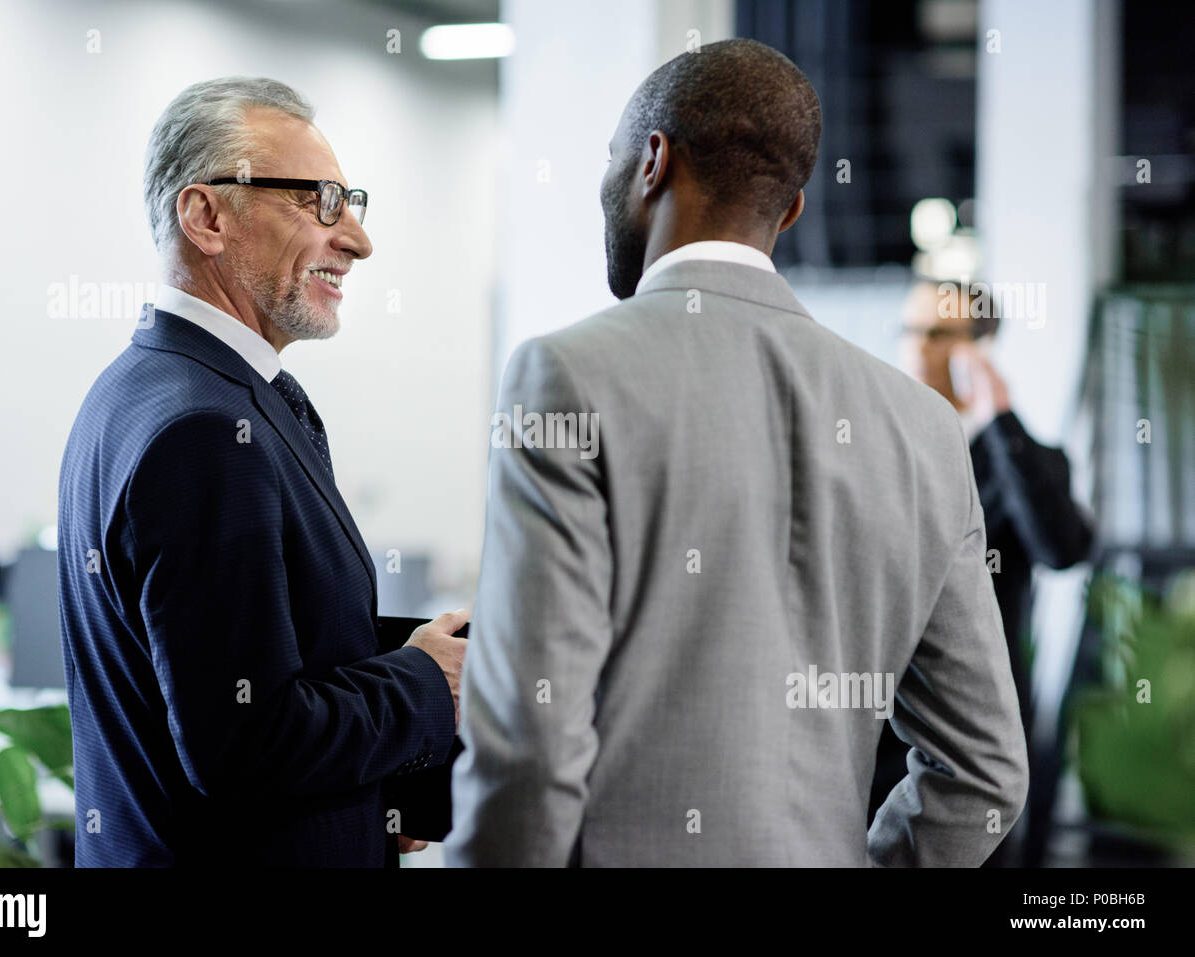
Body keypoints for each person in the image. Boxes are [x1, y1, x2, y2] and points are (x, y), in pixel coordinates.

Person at [446, 39, 1028, 867]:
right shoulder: (924, 426)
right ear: (788, 214)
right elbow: (987, 773)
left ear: (652, 161)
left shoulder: (565, 374)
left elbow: (532, 746)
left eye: (610, 159)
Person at [57, 77, 466, 867]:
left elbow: (254, 664)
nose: (356, 239)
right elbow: (245, 742)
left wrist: (379, 783)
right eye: (317, 201)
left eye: (351, 201)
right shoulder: (206, 428)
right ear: (205, 216)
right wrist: (427, 685)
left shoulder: (149, 387)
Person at [869, 279, 1094, 864]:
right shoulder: (869, 449)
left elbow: (1063, 545)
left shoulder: (1019, 459)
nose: (918, 349)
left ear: (979, 345)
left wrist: (999, 413)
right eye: (910, 332)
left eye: (939, 334)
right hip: (870, 732)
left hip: (973, 742)